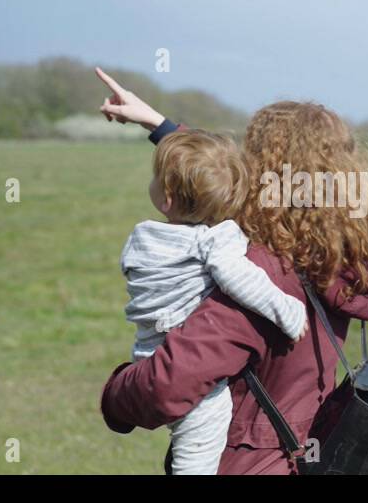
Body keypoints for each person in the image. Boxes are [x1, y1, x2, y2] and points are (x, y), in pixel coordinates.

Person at [95, 67, 368, 474]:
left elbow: (166, 386)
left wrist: (116, 392)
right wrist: (162, 127)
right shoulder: (343, 256)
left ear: (261, 173)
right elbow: (221, 181)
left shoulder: (259, 275)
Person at [120, 128, 308, 474]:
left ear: (167, 200)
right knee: (196, 461)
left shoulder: (144, 237)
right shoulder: (216, 241)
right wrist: (288, 311)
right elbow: (244, 280)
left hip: (148, 355)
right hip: (196, 376)